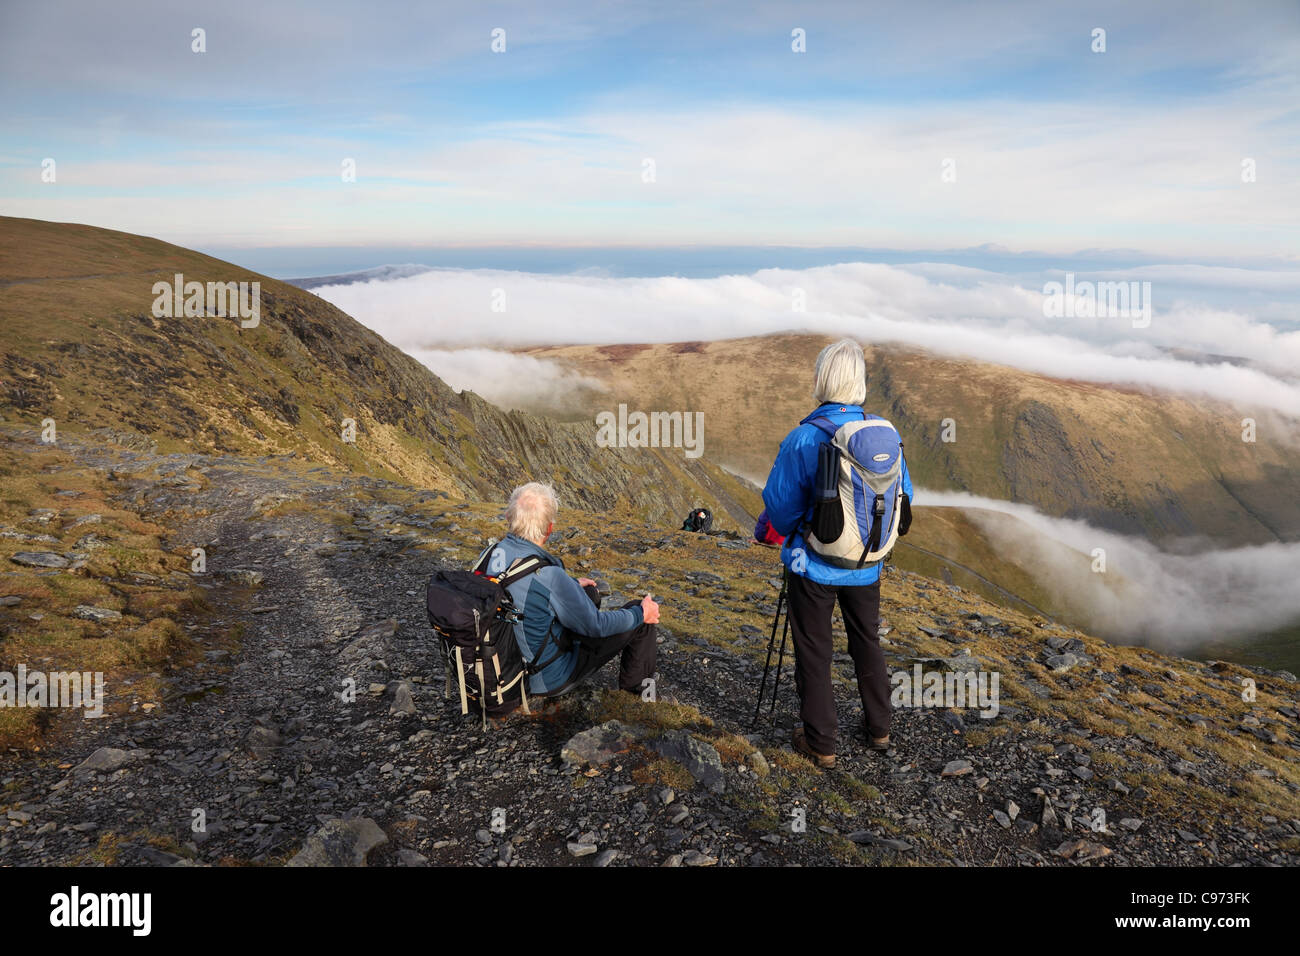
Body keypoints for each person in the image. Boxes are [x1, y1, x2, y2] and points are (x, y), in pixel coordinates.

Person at [761, 339, 913, 769]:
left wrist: (790, 534)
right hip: (867, 564)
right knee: (867, 639)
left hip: (814, 564)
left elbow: (780, 506)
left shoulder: (805, 437)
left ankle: (821, 742)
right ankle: (879, 728)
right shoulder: (883, 435)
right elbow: (906, 495)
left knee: (815, 649)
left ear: (822, 379)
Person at [481, 482, 660, 700]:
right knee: (638, 614)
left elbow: (520, 585)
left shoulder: (489, 555)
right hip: (543, 680)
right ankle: (640, 698)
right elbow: (597, 626)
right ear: (549, 529)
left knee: (589, 594)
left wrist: (571, 585)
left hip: (501, 665)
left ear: (509, 518)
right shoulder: (548, 576)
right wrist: (642, 613)